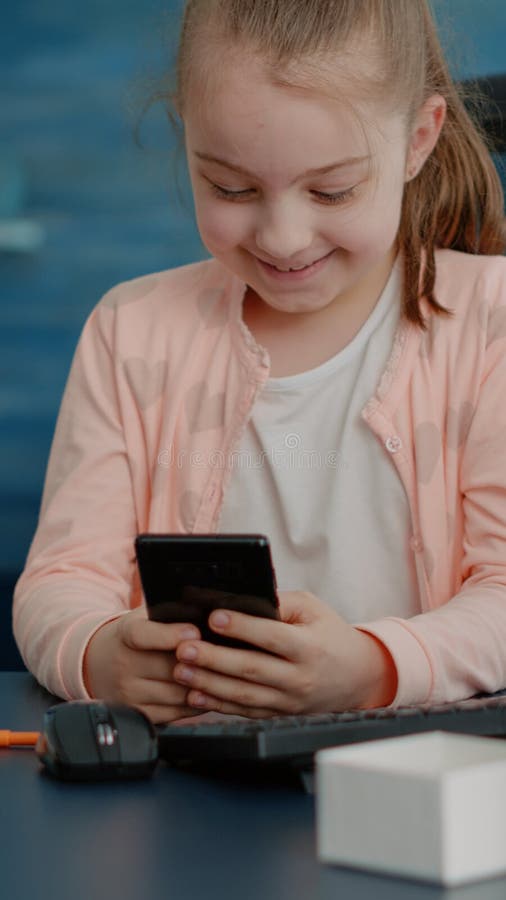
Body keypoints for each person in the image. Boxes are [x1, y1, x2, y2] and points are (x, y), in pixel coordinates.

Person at [13, 0, 506, 724]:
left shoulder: (491, 323)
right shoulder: (130, 332)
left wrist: (374, 668)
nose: (281, 237)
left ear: (419, 139)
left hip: (426, 802)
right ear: (189, 138)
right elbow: (61, 578)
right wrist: (97, 652)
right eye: (231, 187)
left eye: (332, 190)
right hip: (188, 793)